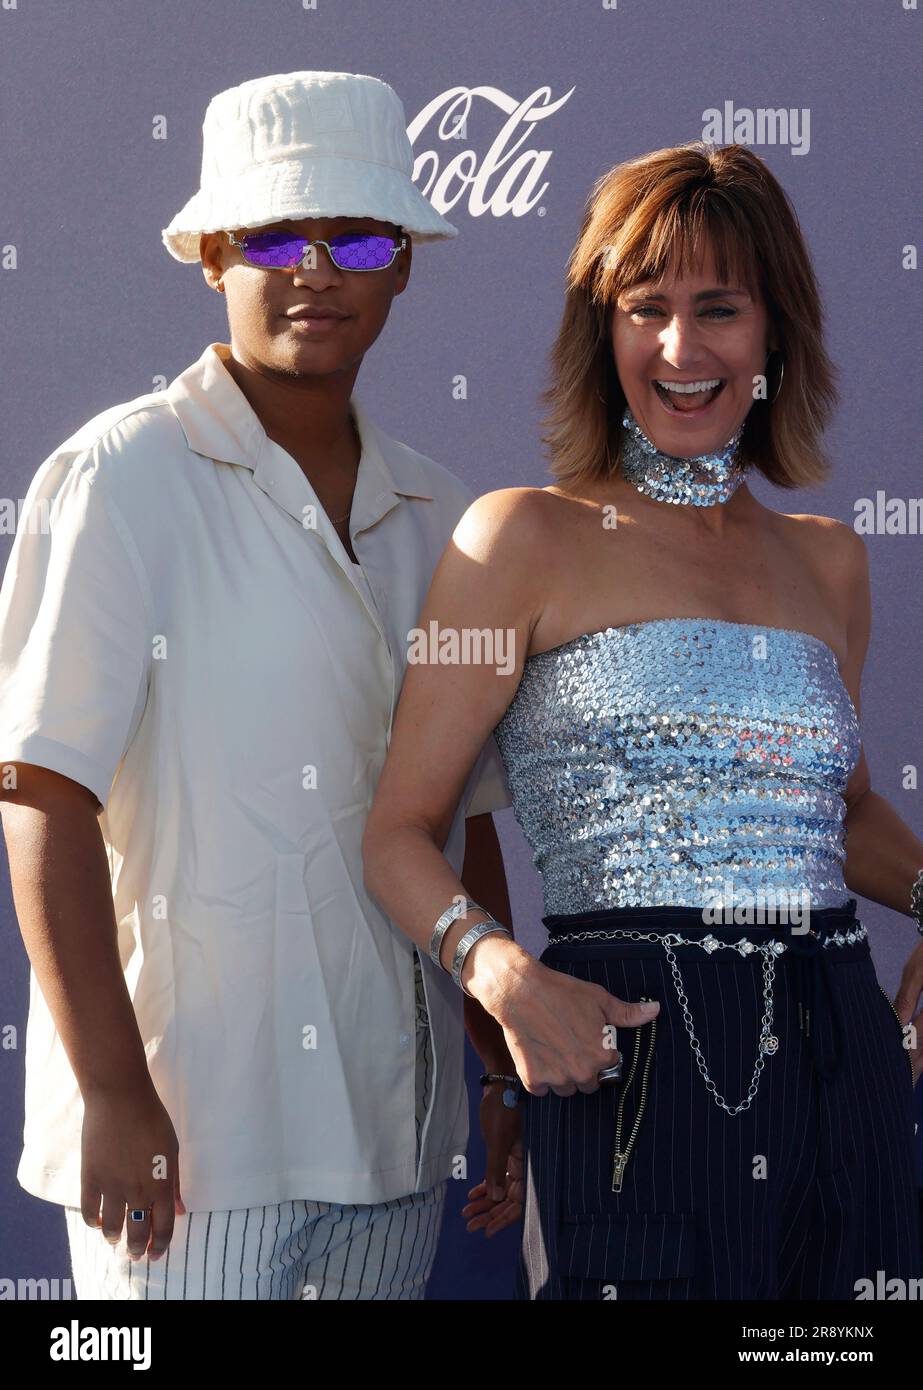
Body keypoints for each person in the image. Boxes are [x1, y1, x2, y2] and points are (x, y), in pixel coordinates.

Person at [362, 140, 923, 1300]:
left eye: (716, 307)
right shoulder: (515, 539)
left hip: (841, 1039)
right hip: (626, 1048)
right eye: (643, 308)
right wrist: (506, 978)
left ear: (773, 334)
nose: (678, 349)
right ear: (599, 330)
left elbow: (844, 812)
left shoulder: (829, 561)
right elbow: (396, 834)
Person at [0, 69, 521, 1301]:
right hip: (189, 1144)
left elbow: (466, 821)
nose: (316, 266)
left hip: (395, 1139)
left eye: (354, 234)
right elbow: (38, 794)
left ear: (403, 262)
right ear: (210, 257)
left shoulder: (449, 512)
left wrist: (495, 1071)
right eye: (277, 233)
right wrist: (117, 1097)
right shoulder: (123, 473)